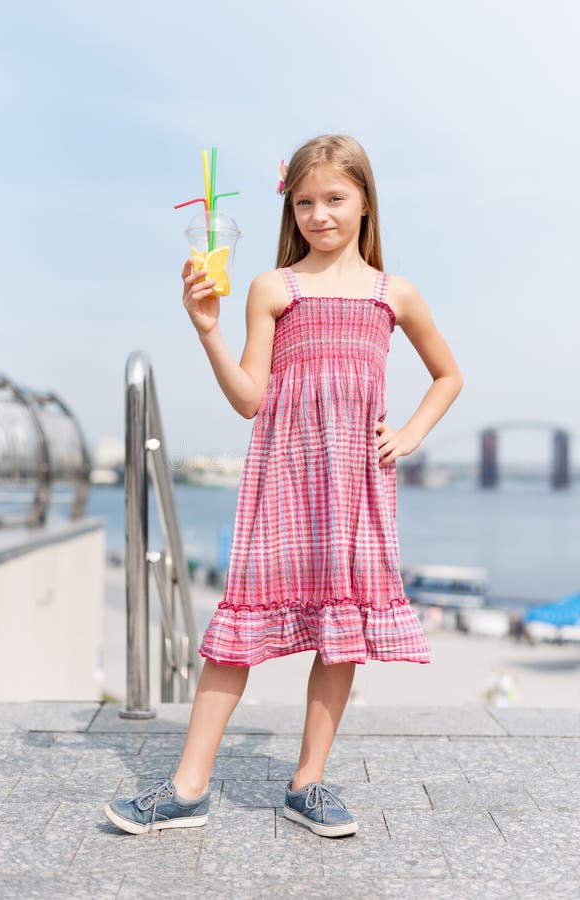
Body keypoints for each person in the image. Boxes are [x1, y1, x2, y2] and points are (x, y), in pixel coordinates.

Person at [103, 133, 463, 838]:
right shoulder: (274, 287)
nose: (319, 214)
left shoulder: (396, 294)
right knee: (235, 632)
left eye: (334, 198)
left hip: (357, 487)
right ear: (288, 206)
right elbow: (248, 398)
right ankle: (186, 787)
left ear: (365, 202)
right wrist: (205, 329)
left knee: (341, 637)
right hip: (282, 481)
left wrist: (412, 435)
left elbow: (448, 375)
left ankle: (309, 783)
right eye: (305, 201)